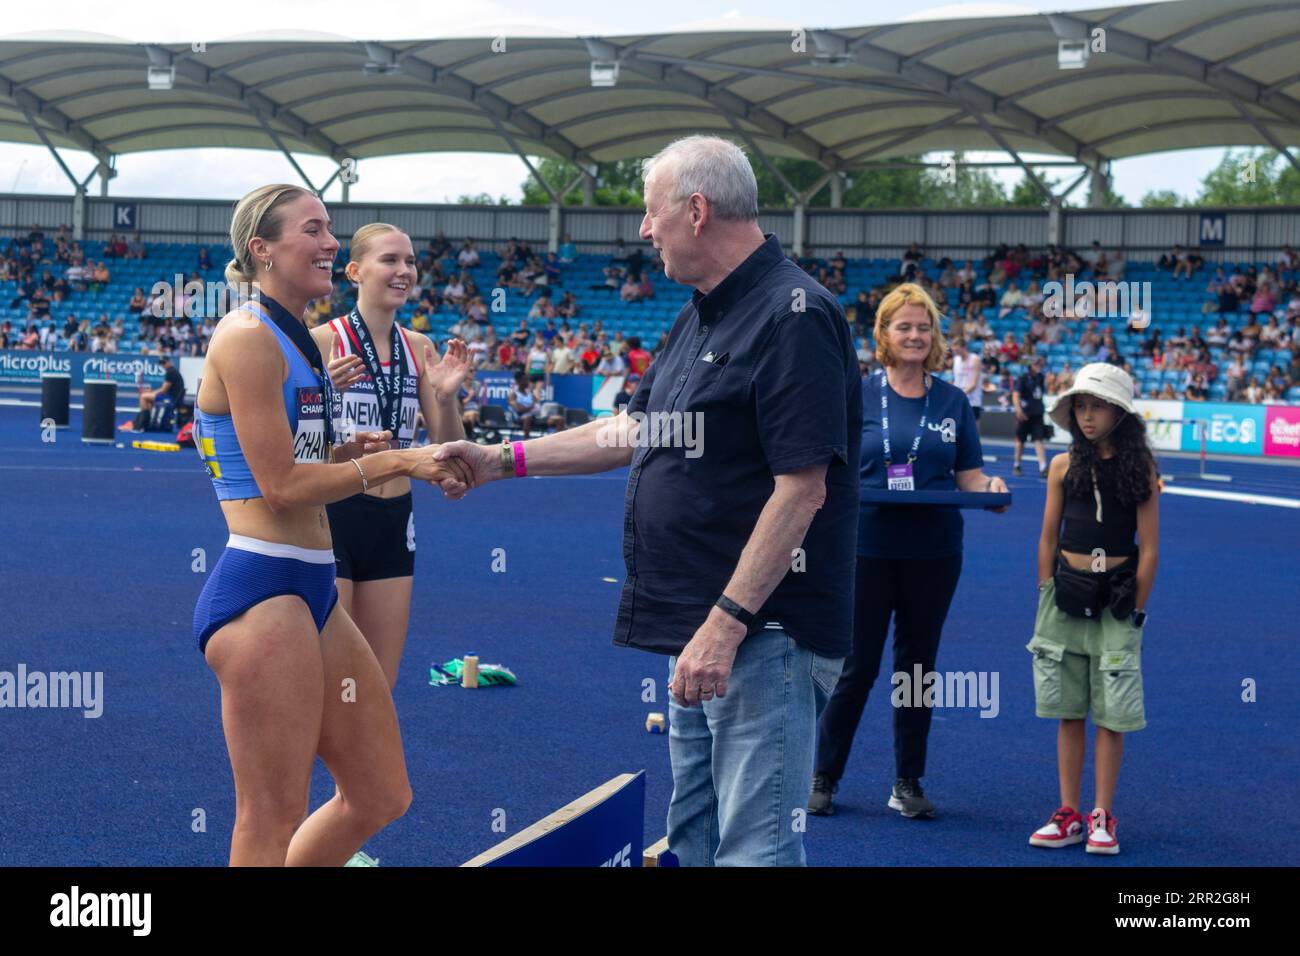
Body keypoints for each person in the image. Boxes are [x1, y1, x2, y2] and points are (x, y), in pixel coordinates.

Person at [432, 134, 861, 866]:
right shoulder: (705, 311)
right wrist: (499, 460)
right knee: (693, 843)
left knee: (752, 854)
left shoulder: (793, 316)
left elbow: (802, 490)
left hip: (760, 633)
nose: (641, 230)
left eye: (648, 211)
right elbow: (636, 428)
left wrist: (726, 625)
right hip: (704, 628)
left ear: (695, 210)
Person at [191, 184, 469, 866]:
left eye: (332, 228)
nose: (330, 241)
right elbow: (281, 487)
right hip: (264, 591)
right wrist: (398, 460)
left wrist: (348, 454)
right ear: (262, 249)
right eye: (313, 229)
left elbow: (298, 459)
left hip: (311, 586)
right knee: (272, 814)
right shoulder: (248, 336)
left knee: (380, 793)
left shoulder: (296, 343)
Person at [809, 284, 1008, 818]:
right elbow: (829, 464)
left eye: (923, 327)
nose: (915, 335)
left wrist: (988, 490)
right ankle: (823, 775)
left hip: (935, 553)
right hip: (865, 549)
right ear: (884, 335)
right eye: (904, 327)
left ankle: (908, 782)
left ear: (934, 337)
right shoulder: (857, 392)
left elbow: (968, 474)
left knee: (917, 669)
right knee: (857, 666)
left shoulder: (953, 401)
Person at [311, 222, 469, 691]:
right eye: (390, 260)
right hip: (332, 513)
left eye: (411, 261)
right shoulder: (320, 341)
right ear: (355, 271)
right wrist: (322, 390)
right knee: (328, 672)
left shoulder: (419, 347)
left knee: (378, 682)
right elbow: (291, 446)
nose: (404, 271)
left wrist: (443, 398)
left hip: (394, 520)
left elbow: (448, 450)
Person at [1028, 363, 1159, 856]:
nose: (1086, 415)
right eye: (1080, 405)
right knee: (1067, 711)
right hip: (1064, 598)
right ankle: (1069, 813)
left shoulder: (1142, 470)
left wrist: (1137, 609)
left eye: (1097, 405)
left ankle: (1102, 813)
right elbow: (1048, 535)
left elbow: (1149, 549)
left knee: (1112, 713)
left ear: (1120, 413)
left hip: (1116, 603)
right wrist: (1045, 589)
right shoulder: (1062, 466)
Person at [1014, 354, 1049, 478]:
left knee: (1038, 439)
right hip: (1024, 414)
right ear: (1030, 366)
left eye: (1039, 364)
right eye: (1036, 364)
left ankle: (1043, 467)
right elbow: (1016, 395)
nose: (1038, 366)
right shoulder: (1022, 378)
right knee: (1020, 440)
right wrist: (1019, 410)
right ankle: (1017, 464)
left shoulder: (1040, 377)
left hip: (1037, 414)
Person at [951, 338, 983, 420]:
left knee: (973, 430)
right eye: (954, 350)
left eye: (957, 350)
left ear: (964, 347)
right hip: (958, 400)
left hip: (972, 401)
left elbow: (974, 384)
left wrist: (958, 395)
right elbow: (955, 380)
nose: (955, 352)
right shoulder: (956, 360)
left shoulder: (975, 359)